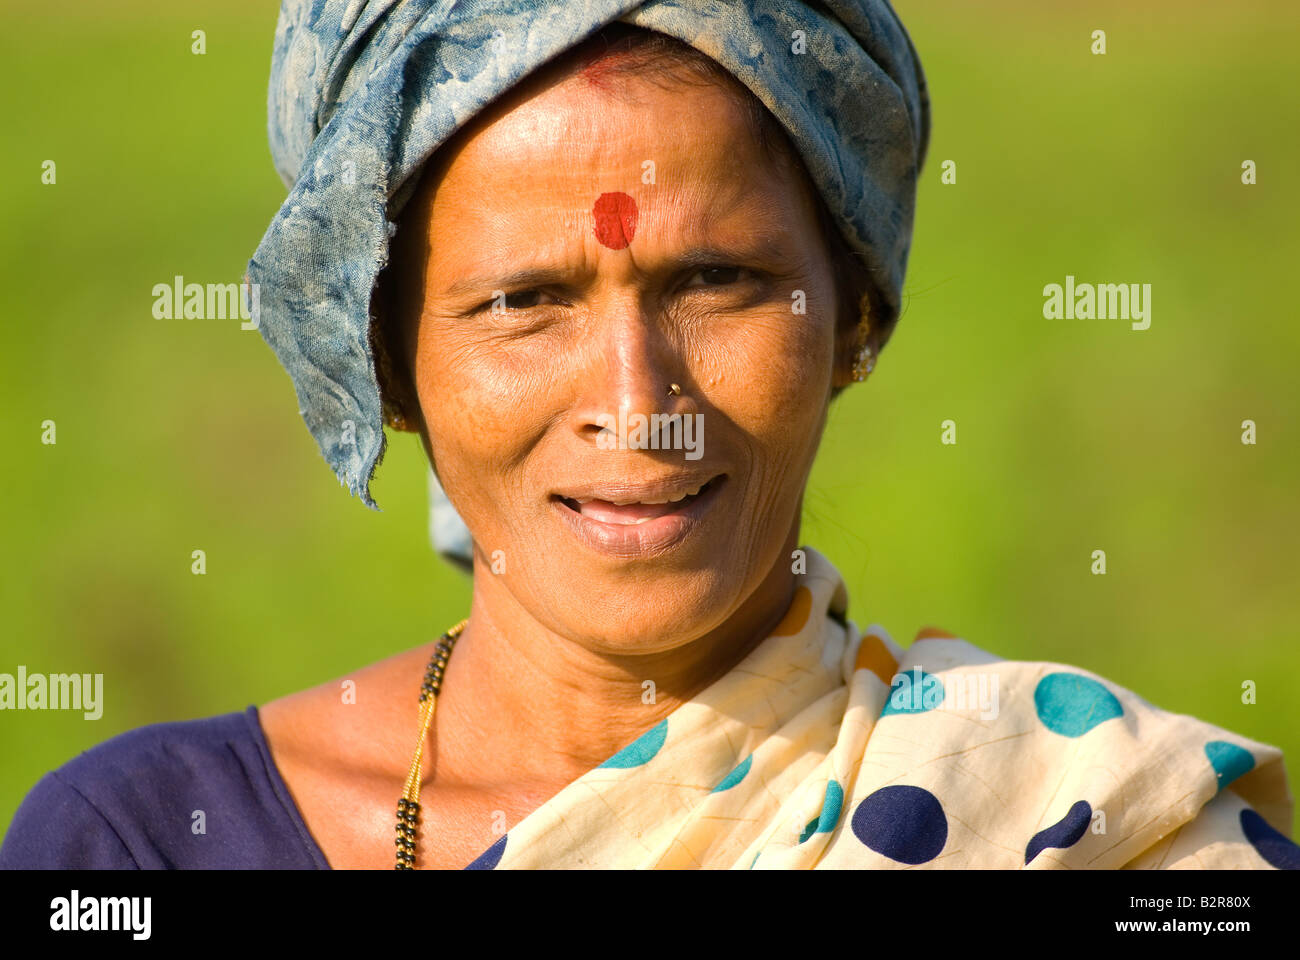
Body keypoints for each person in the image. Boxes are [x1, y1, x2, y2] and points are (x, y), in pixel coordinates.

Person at [3, 0, 1295, 871]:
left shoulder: (1095, 822)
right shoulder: (146, 846)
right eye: (523, 301)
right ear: (382, 363)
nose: (639, 397)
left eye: (719, 281)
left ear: (854, 318)